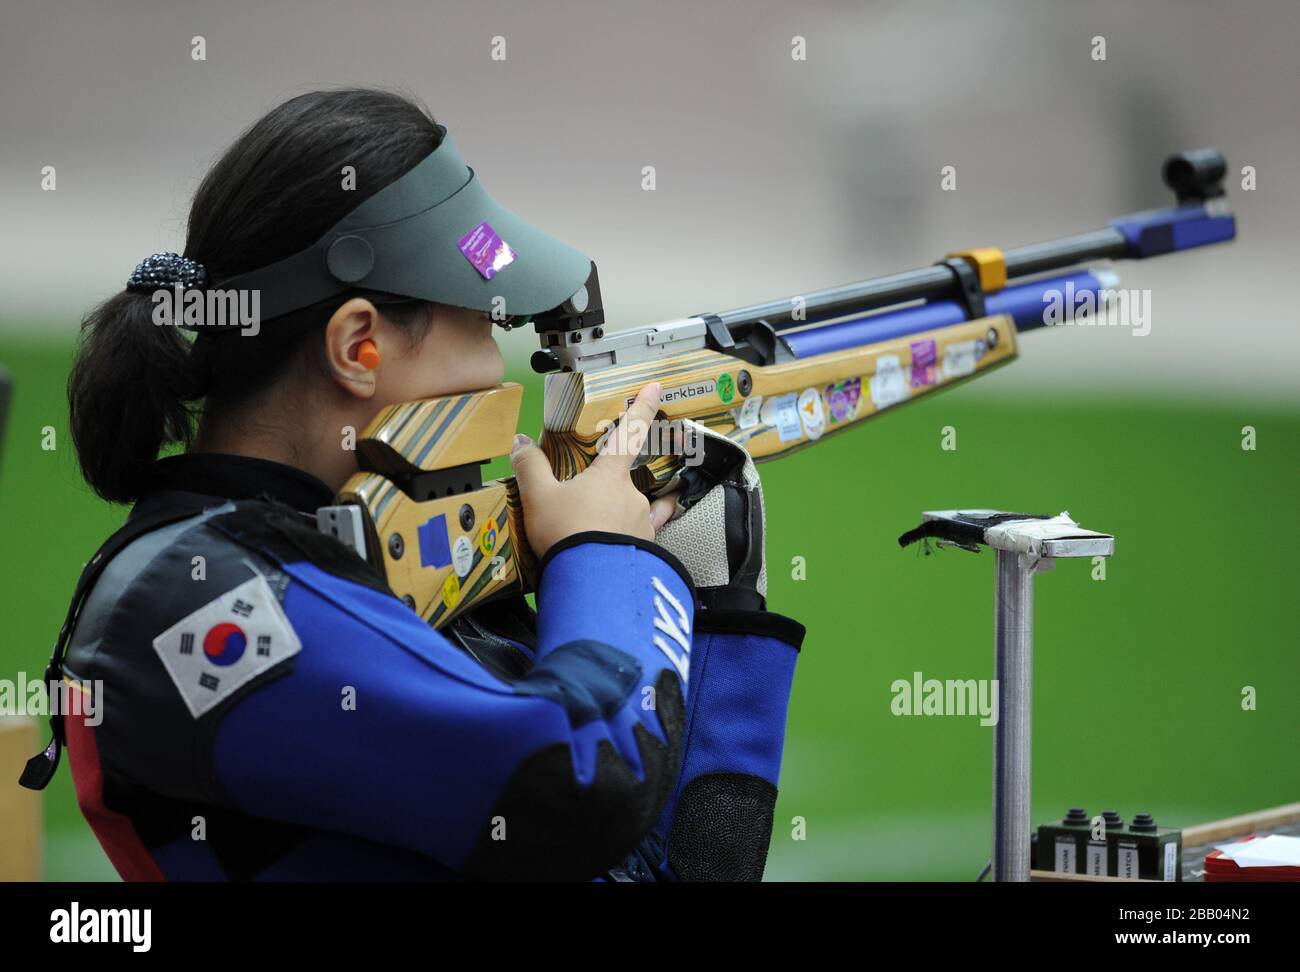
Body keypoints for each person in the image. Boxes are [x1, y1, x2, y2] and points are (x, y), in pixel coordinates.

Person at [20, 88, 804, 881]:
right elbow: (585, 781)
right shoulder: (200, 604)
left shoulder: (351, 568)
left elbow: (670, 868)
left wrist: (709, 606)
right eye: (486, 324)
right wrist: (607, 561)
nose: (498, 372)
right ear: (359, 346)